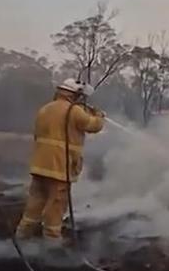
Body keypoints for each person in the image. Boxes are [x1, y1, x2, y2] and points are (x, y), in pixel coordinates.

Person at [17, 78, 105, 243]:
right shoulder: (74, 111)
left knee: (34, 204)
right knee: (56, 206)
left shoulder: (44, 109)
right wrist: (99, 116)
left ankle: (22, 237)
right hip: (59, 167)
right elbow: (93, 126)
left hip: (39, 166)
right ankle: (52, 243)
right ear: (75, 95)